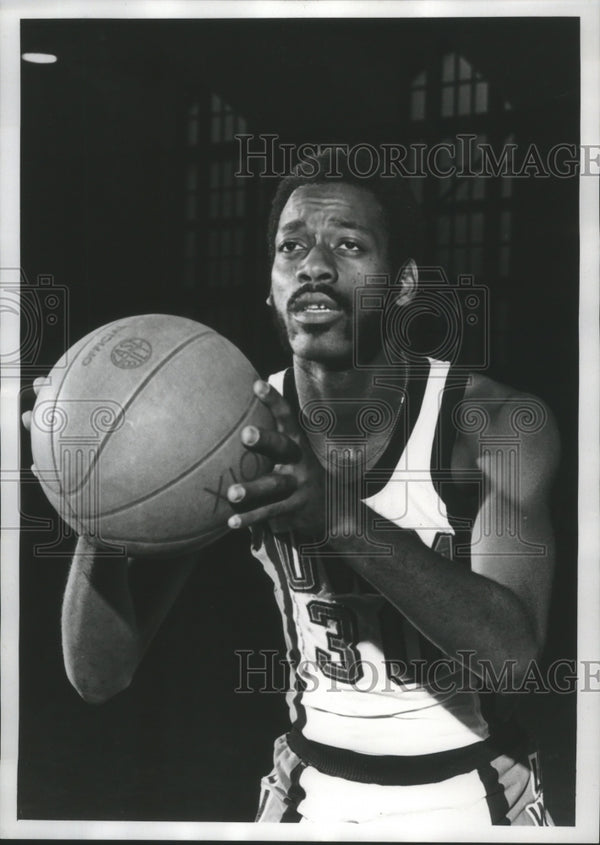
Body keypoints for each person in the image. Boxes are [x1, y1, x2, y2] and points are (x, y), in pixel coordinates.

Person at [23, 149, 558, 828]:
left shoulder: (493, 421)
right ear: (271, 289)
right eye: (292, 246)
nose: (315, 265)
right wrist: (95, 496)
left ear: (403, 285)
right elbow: (100, 675)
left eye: (349, 244)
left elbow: (510, 662)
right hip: (309, 790)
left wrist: (334, 512)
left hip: (473, 788)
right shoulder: (231, 425)